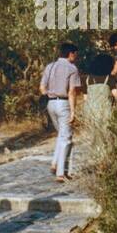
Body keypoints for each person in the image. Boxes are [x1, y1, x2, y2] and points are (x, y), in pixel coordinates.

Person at [41, 43, 81, 182]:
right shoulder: (72, 68)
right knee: (66, 138)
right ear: (71, 53)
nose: (76, 57)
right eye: (76, 54)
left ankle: (54, 163)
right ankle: (61, 173)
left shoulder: (49, 66)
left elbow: (42, 88)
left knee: (61, 134)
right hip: (63, 103)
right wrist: (73, 112)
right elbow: (72, 92)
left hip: (51, 103)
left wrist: (52, 93)